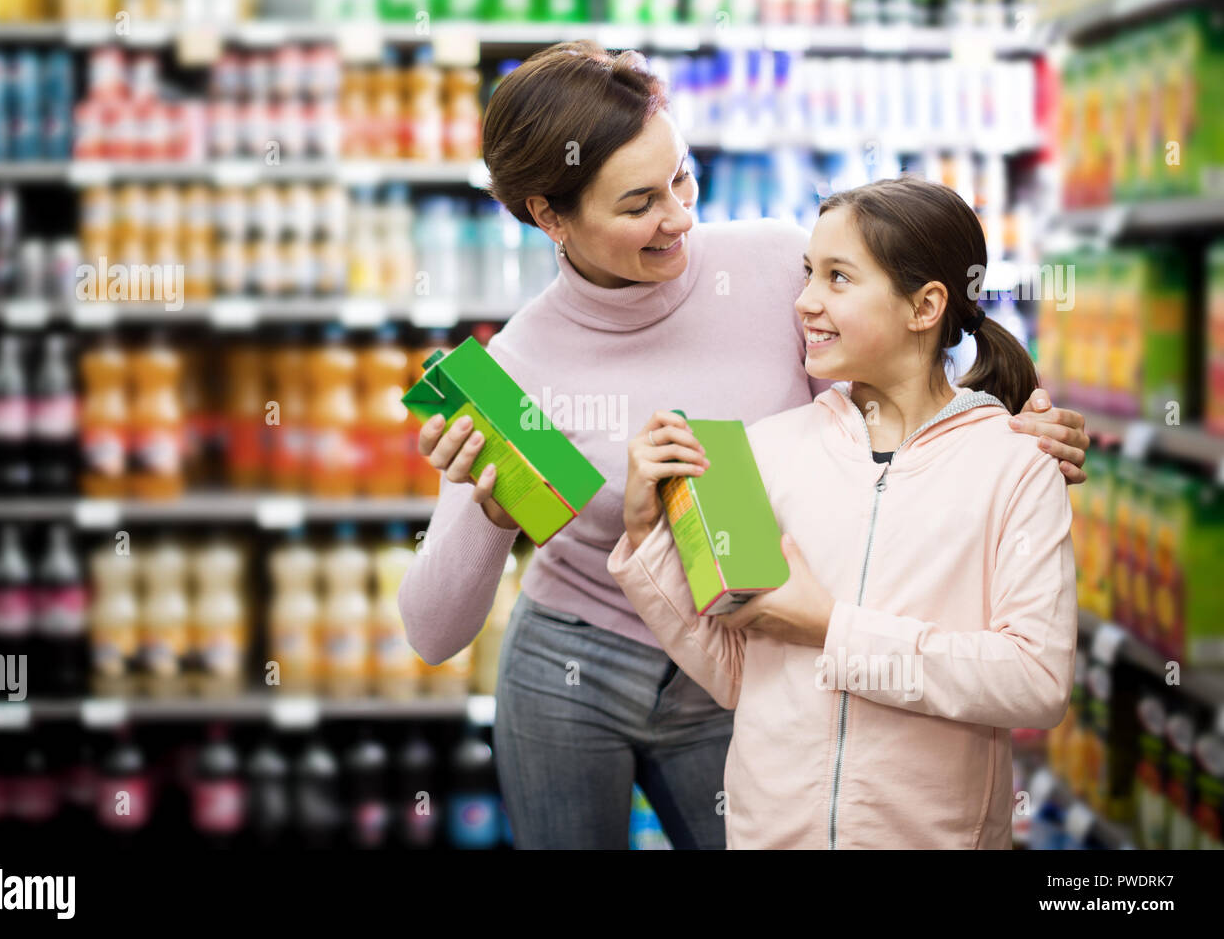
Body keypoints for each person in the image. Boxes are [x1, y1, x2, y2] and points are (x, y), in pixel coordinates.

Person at [398, 42, 1090, 850]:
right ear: (551, 215)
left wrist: (995, 435)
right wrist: (491, 504)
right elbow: (434, 633)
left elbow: (877, 410)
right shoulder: (517, 371)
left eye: (683, 177)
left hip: (752, 642)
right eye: (638, 204)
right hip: (571, 669)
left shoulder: (770, 266)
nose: (681, 217)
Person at [609, 176, 1079, 848]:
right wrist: (645, 536)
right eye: (807, 275)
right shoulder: (767, 450)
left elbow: (1034, 681)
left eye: (838, 278)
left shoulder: (1015, 465)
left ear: (925, 306)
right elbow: (740, 677)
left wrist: (834, 629)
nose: (804, 302)